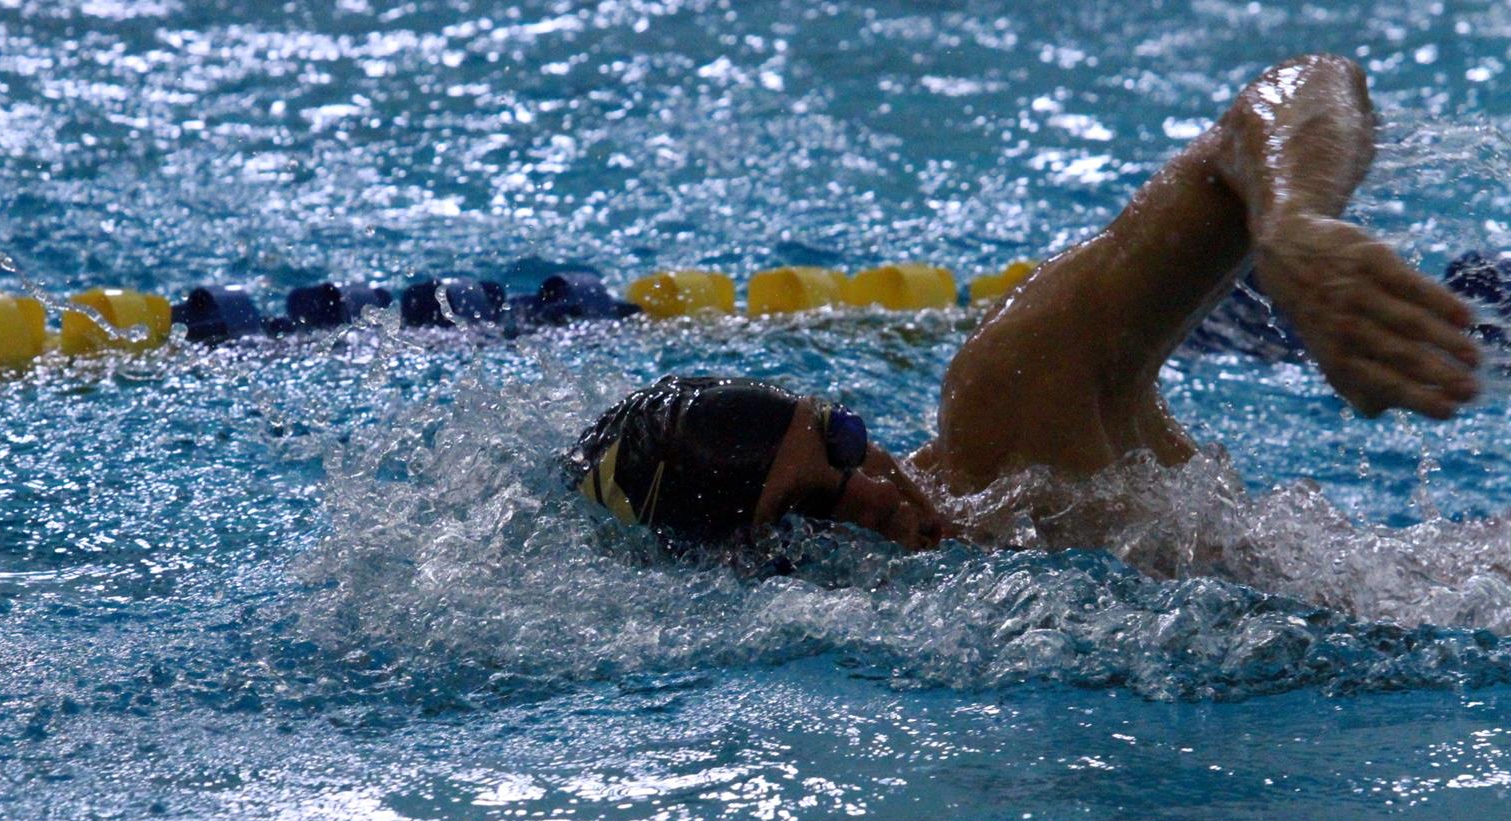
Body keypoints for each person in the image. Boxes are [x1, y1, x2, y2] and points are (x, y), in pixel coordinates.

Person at [566, 54, 1482, 552]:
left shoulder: (1012, 412)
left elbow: (1301, 89)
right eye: (809, 512)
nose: (874, 489)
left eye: (841, 439)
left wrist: (1292, 220)